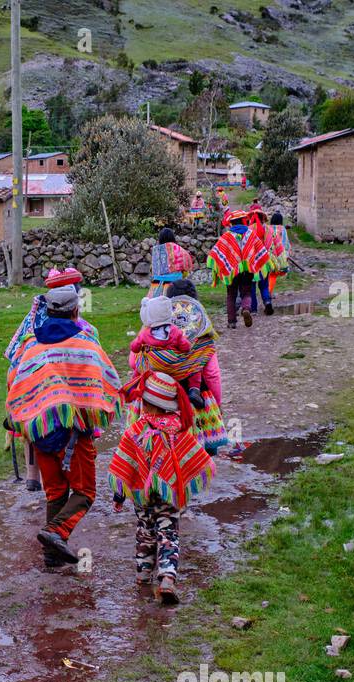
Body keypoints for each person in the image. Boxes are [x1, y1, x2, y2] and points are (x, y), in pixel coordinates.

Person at [6, 284, 121, 567]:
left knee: (56, 492)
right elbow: (108, 381)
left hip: (41, 433)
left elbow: (17, 382)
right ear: (75, 310)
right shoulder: (85, 343)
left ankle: (51, 556)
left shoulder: (32, 345)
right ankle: (55, 532)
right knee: (84, 492)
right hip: (74, 435)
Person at [109, 371, 215, 604]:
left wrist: (119, 493)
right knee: (168, 534)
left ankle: (143, 577)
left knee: (145, 533)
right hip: (169, 496)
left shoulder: (135, 431)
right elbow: (196, 459)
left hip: (142, 497)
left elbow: (124, 465)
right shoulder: (179, 430)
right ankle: (167, 578)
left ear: (146, 404)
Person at [5, 267, 89, 492]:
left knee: (32, 426)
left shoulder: (32, 322)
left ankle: (33, 476)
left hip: (27, 382)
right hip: (61, 390)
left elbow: (14, 354)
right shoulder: (83, 330)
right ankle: (68, 476)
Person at [130, 286, 229, 455]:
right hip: (190, 403)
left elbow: (134, 362)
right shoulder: (202, 337)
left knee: (156, 451)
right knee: (192, 455)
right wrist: (217, 404)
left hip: (156, 397)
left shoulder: (149, 331)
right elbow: (212, 375)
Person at [148, 227, 196, 298]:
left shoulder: (156, 251)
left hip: (157, 285)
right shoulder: (179, 249)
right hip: (175, 284)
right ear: (172, 237)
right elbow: (186, 265)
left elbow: (153, 269)